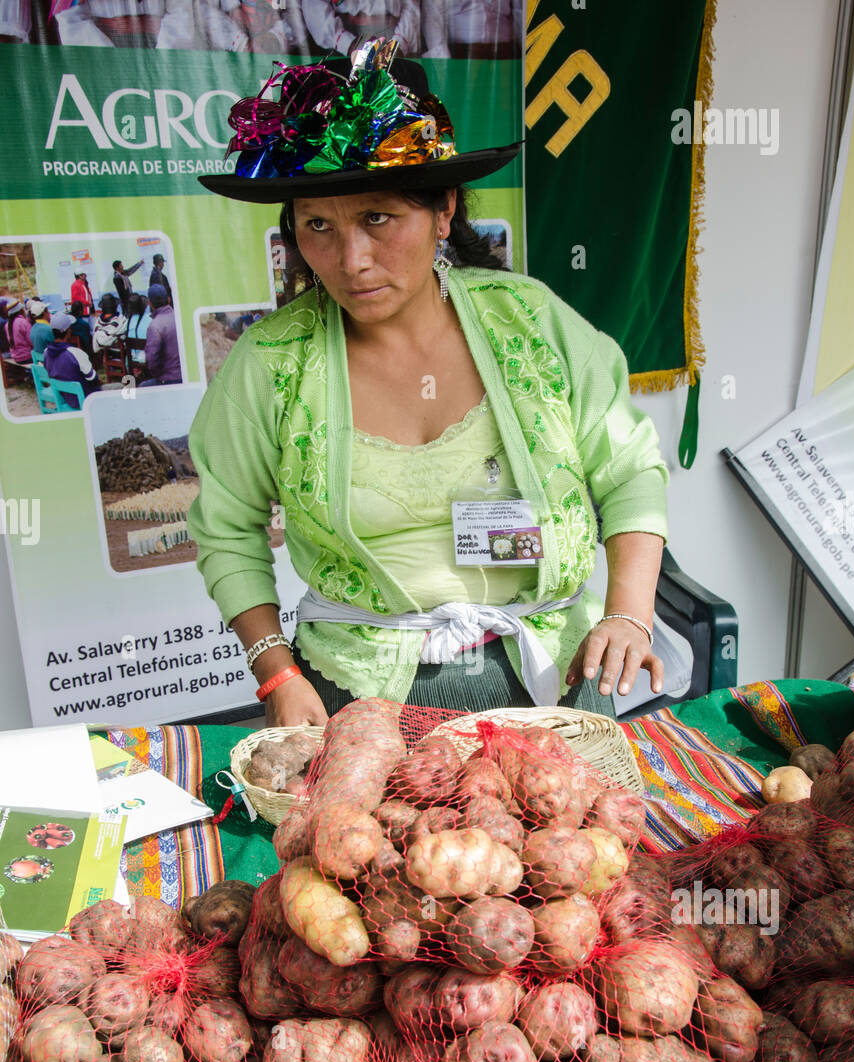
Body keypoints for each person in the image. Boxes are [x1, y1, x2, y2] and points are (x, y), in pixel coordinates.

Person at [188, 46, 668, 728]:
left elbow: (629, 471)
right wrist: (277, 673)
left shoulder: (530, 322)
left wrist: (628, 614)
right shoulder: (272, 364)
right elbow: (228, 528)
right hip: (360, 702)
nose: (351, 261)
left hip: (557, 683)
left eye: (378, 218)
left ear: (443, 210)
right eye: (318, 225)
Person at [43, 313, 101, 407]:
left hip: (63, 397)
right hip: (84, 399)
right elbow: (92, 378)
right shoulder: (75, 353)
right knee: (117, 387)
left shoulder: (46, 352)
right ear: (68, 331)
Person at [140, 284, 181, 384]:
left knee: (142, 386)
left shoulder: (154, 326)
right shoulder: (181, 318)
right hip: (187, 376)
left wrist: (160, 376)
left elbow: (152, 360)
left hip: (168, 379)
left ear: (150, 303)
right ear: (168, 299)